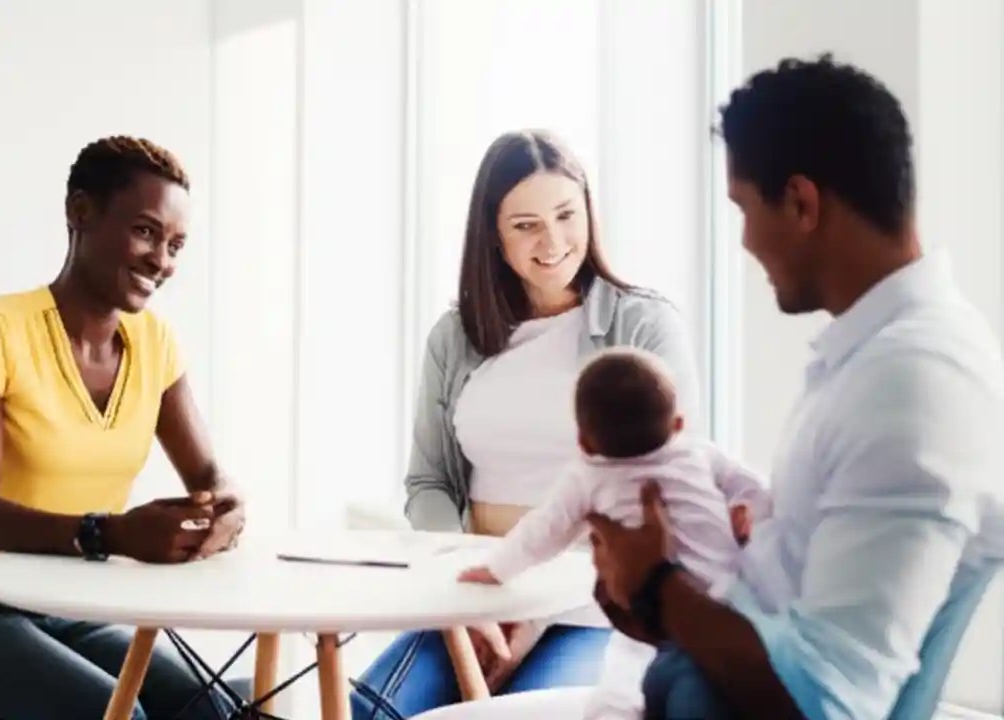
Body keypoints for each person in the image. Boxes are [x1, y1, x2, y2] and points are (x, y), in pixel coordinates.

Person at [588, 55, 1004, 720]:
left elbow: (824, 701)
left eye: (744, 209)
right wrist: (664, 589)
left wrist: (657, 583)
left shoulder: (913, 385)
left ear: (802, 203)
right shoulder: (877, 357)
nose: (747, 241)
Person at [350, 130, 703, 719]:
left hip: (589, 608)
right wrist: (464, 593)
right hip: (474, 596)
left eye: (566, 215)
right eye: (526, 225)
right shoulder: (456, 337)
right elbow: (429, 483)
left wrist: (534, 606)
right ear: (493, 233)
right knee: (370, 709)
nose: (553, 241)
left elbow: (659, 495)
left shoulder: (644, 324)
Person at [0, 136, 249, 720]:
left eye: (175, 245)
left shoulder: (155, 343)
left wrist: (225, 507)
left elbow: (208, 475)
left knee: (209, 709)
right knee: (119, 718)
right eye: (145, 232)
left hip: (68, 607)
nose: (161, 261)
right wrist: (112, 535)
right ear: (80, 212)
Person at [457, 347, 770, 719]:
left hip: (645, 614)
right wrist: (751, 516)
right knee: (697, 691)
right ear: (678, 425)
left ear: (585, 443)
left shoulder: (588, 476)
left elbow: (544, 531)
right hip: (725, 605)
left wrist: (495, 569)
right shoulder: (697, 454)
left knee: (619, 691)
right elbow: (757, 489)